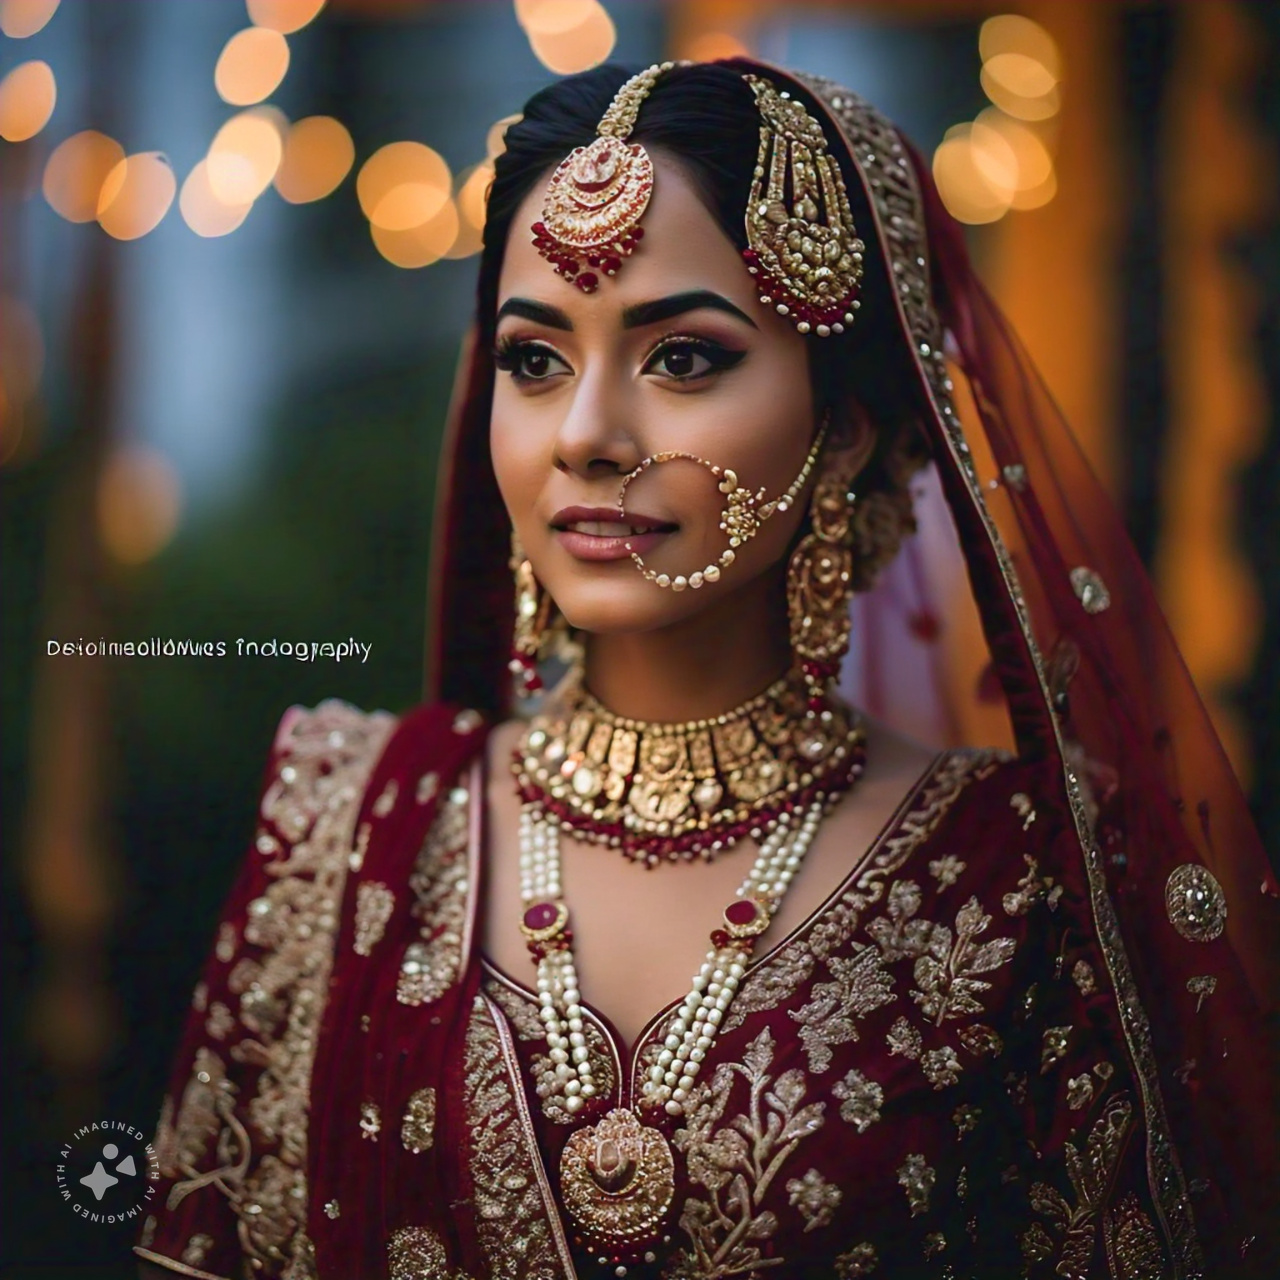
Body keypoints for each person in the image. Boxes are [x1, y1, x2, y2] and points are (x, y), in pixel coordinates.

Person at [135, 59, 1278, 1280]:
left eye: (681, 357)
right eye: (534, 359)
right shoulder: (343, 822)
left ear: (844, 427)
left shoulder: (1026, 872)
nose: (583, 434)